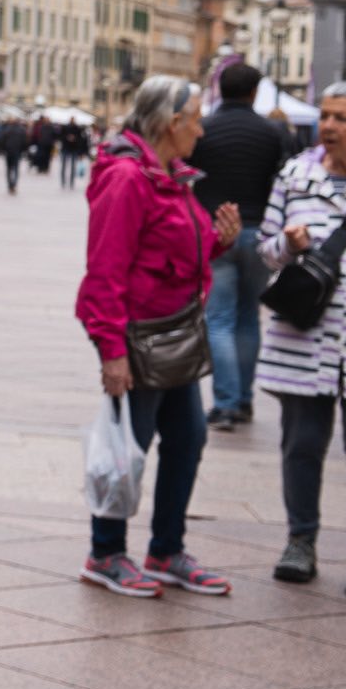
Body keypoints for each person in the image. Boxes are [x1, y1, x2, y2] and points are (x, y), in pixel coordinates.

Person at [75, 77, 241, 599]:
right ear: (172, 124)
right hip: (140, 337)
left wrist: (216, 243)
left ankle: (166, 549)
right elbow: (104, 271)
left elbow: (168, 255)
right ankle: (105, 553)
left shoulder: (169, 174)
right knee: (127, 448)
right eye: (195, 117)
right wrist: (112, 351)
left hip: (176, 339)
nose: (201, 127)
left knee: (188, 439)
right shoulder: (128, 177)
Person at [256, 82, 346, 598]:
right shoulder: (294, 176)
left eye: (342, 118)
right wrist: (285, 244)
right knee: (301, 445)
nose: (328, 126)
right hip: (304, 337)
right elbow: (265, 249)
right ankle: (299, 542)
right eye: (325, 116)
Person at [186, 62, 289, 429]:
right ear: (254, 92)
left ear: (219, 88)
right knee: (248, 317)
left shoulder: (204, 129)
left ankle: (226, 402)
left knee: (219, 318)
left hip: (214, 232)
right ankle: (244, 400)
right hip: (259, 231)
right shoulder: (272, 132)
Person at [0, 115, 30, 194]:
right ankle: (14, 184)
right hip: (17, 151)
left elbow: (2, 140)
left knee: (9, 169)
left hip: (8, 151)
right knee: (16, 169)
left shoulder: (7, 129)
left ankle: (10, 185)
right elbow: (25, 142)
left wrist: (3, 149)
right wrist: (23, 150)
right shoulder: (22, 130)